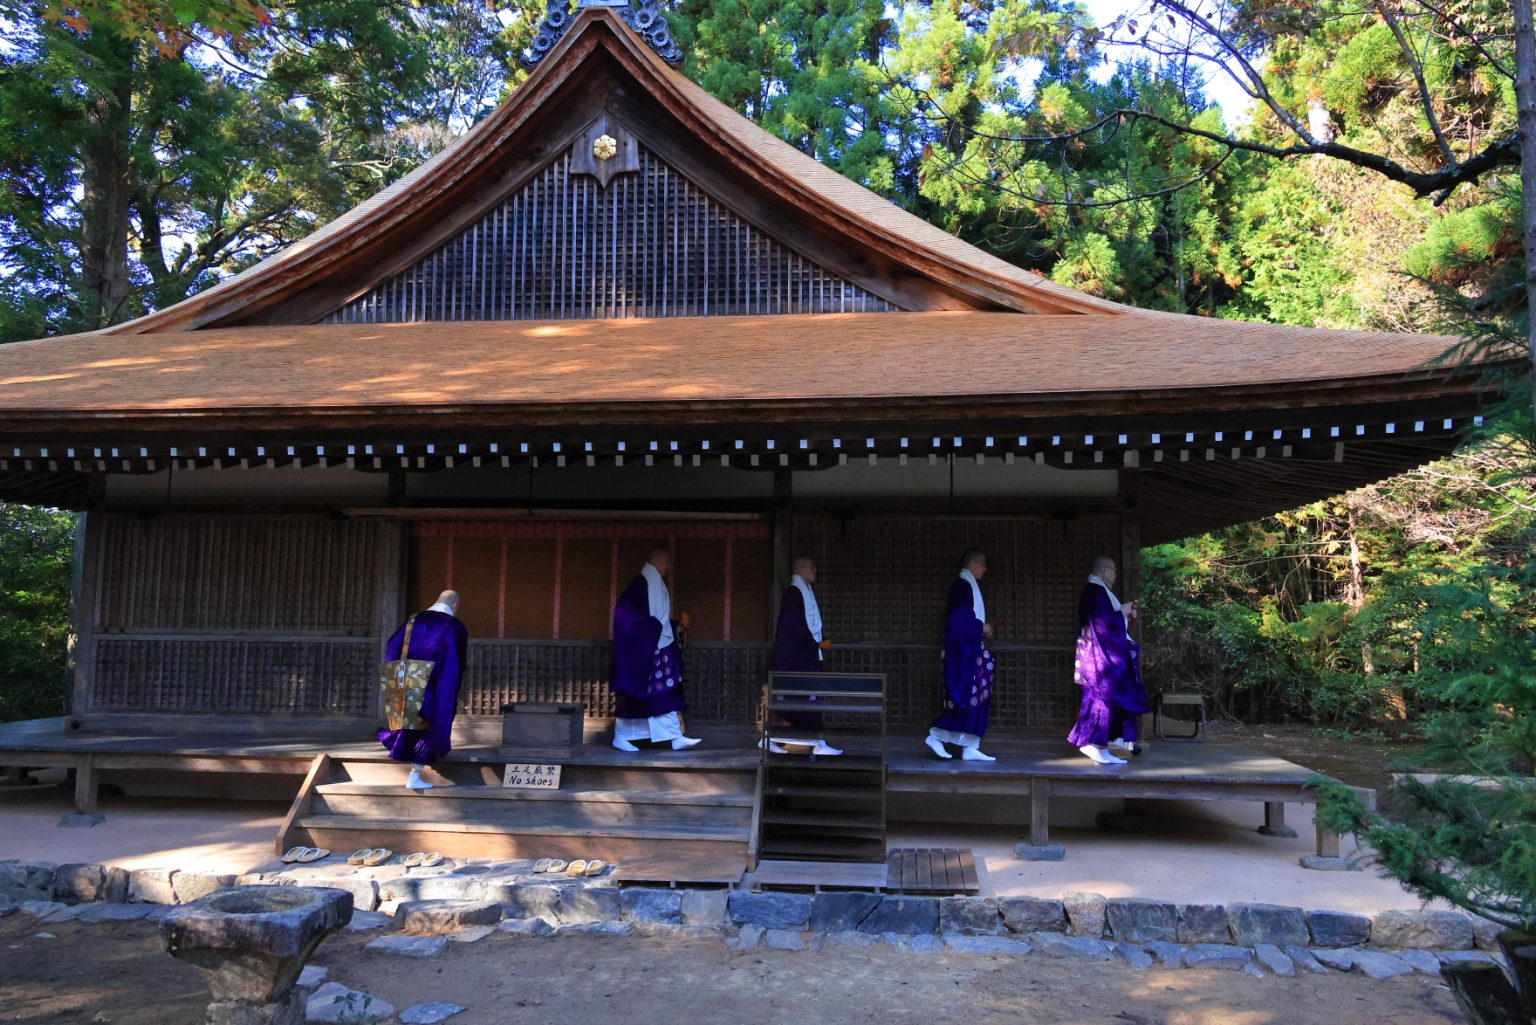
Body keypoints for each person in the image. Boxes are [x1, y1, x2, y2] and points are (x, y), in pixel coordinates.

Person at [610, 545, 701, 752]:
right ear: (658, 560)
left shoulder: (652, 582)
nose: (669, 567)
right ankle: (622, 737)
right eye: (667, 562)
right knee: (643, 695)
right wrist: (652, 628)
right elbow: (624, 614)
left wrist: (674, 624)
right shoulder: (640, 584)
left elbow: (657, 616)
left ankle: (674, 736)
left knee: (663, 692)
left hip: (658, 645)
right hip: (650, 647)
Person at [378, 590, 469, 791]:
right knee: (429, 725)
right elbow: (454, 662)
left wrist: (399, 676)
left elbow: (393, 644)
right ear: (454, 605)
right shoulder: (453, 626)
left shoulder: (413, 620)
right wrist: (447, 687)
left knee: (410, 724)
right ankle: (415, 774)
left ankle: (414, 772)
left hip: (410, 677)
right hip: (434, 682)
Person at [1067, 555, 1150, 765]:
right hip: (1098, 656)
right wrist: (1121, 611)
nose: (1115, 575)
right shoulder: (1094, 591)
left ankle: (1102, 746)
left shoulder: (1101, 592)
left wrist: (1125, 613)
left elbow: (1108, 621)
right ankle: (1090, 743)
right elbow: (1101, 625)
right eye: (1114, 570)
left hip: (1102, 653)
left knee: (1109, 699)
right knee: (1099, 699)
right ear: (1104, 570)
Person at [925, 549, 997, 762]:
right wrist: (981, 627)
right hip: (964, 653)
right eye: (982, 564)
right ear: (972, 564)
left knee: (977, 699)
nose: (985, 569)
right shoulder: (961, 587)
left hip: (973, 649)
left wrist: (981, 629)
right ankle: (936, 735)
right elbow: (959, 622)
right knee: (967, 698)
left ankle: (970, 746)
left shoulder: (968, 587)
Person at [766, 556, 841, 756]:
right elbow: (793, 631)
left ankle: (816, 742)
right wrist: (815, 644)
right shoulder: (793, 594)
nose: (815, 571)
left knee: (810, 702)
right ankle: (773, 738)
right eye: (813, 567)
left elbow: (806, 629)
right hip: (797, 659)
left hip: (807, 655)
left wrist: (817, 644)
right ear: (801, 568)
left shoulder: (803, 591)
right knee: (799, 700)